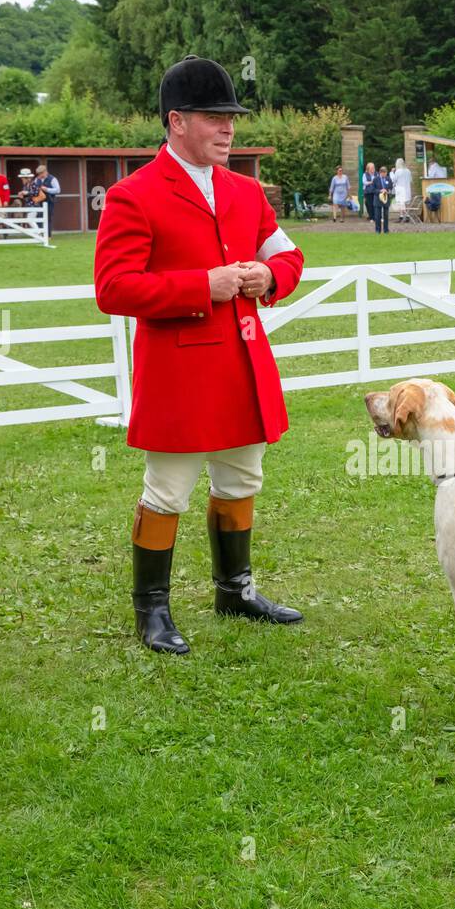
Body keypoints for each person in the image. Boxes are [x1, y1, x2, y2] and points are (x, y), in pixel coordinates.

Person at [93, 54, 307, 656]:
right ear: (176, 121)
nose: (228, 129)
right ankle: (151, 611)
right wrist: (200, 286)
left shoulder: (246, 191)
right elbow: (113, 288)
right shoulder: (133, 195)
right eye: (215, 118)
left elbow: (289, 257)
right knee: (167, 491)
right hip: (181, 375)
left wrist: (268, 275)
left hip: (244, 369)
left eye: (232, 117)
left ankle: (234, 590)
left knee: (242, 479)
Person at [35, 163, 60, 238]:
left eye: (41, 173)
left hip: (49, 201)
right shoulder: (37, 179)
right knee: (39, 217)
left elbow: (58, 190)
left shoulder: (53, 179)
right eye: (38, 174)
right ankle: (41, 234)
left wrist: (47, 189)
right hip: (39, 201)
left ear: (45, 172)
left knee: (48, 218)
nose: (39, 175)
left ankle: (48, 235)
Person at [373, 165, 394, 234]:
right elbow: (373, 190)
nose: (384, 174)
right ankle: (377, 230)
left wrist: (387, 190)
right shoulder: (376, 179)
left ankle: (386, 230)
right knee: (377, 216)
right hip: (378, 199)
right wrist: (380, 190)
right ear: (380, 172)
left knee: (386, 215)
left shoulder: (388, 179)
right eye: (383, 173)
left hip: (386, 199)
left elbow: (391, 188)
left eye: (385, 173)